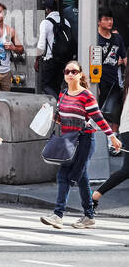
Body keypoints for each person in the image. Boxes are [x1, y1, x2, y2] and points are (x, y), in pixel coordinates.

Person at [41, 61, 122, 229]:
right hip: (68, 140)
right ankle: (89, 216)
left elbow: (98, 117)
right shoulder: (63, 94)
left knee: (66, 175)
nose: (70, 74)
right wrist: (48, 113)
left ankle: (58, 214)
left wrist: (112, 137)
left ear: (80, 74)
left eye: (74, 71)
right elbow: (60, 118)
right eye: (67, 71)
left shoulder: (86, 95)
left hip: (84, 140)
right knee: (82, 177)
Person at [92, 66, 129, 209]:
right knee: (126, 170)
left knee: (127, 170)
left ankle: (96, 195)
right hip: (128, 130)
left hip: (126, 129)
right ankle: (96, 194)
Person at [36, 0, 76, 99]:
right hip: (63, 61)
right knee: (57, 86)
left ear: (47, 10)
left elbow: (41, 45)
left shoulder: (46, 23)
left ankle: (58, 103)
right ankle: (58, 108)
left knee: (45, 85)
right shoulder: (66, 21)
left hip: (50, 60)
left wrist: (37, 60)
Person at [96, 7, 127, 116]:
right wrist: (95, 85)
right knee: (99, 115)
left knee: (114, 116)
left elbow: (125, 58)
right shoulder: (95, 38)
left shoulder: (117, 38)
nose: (110, 22)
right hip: (100, 83)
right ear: (99, 21)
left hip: (114, 82)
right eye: (106, 19)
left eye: (111, 19)